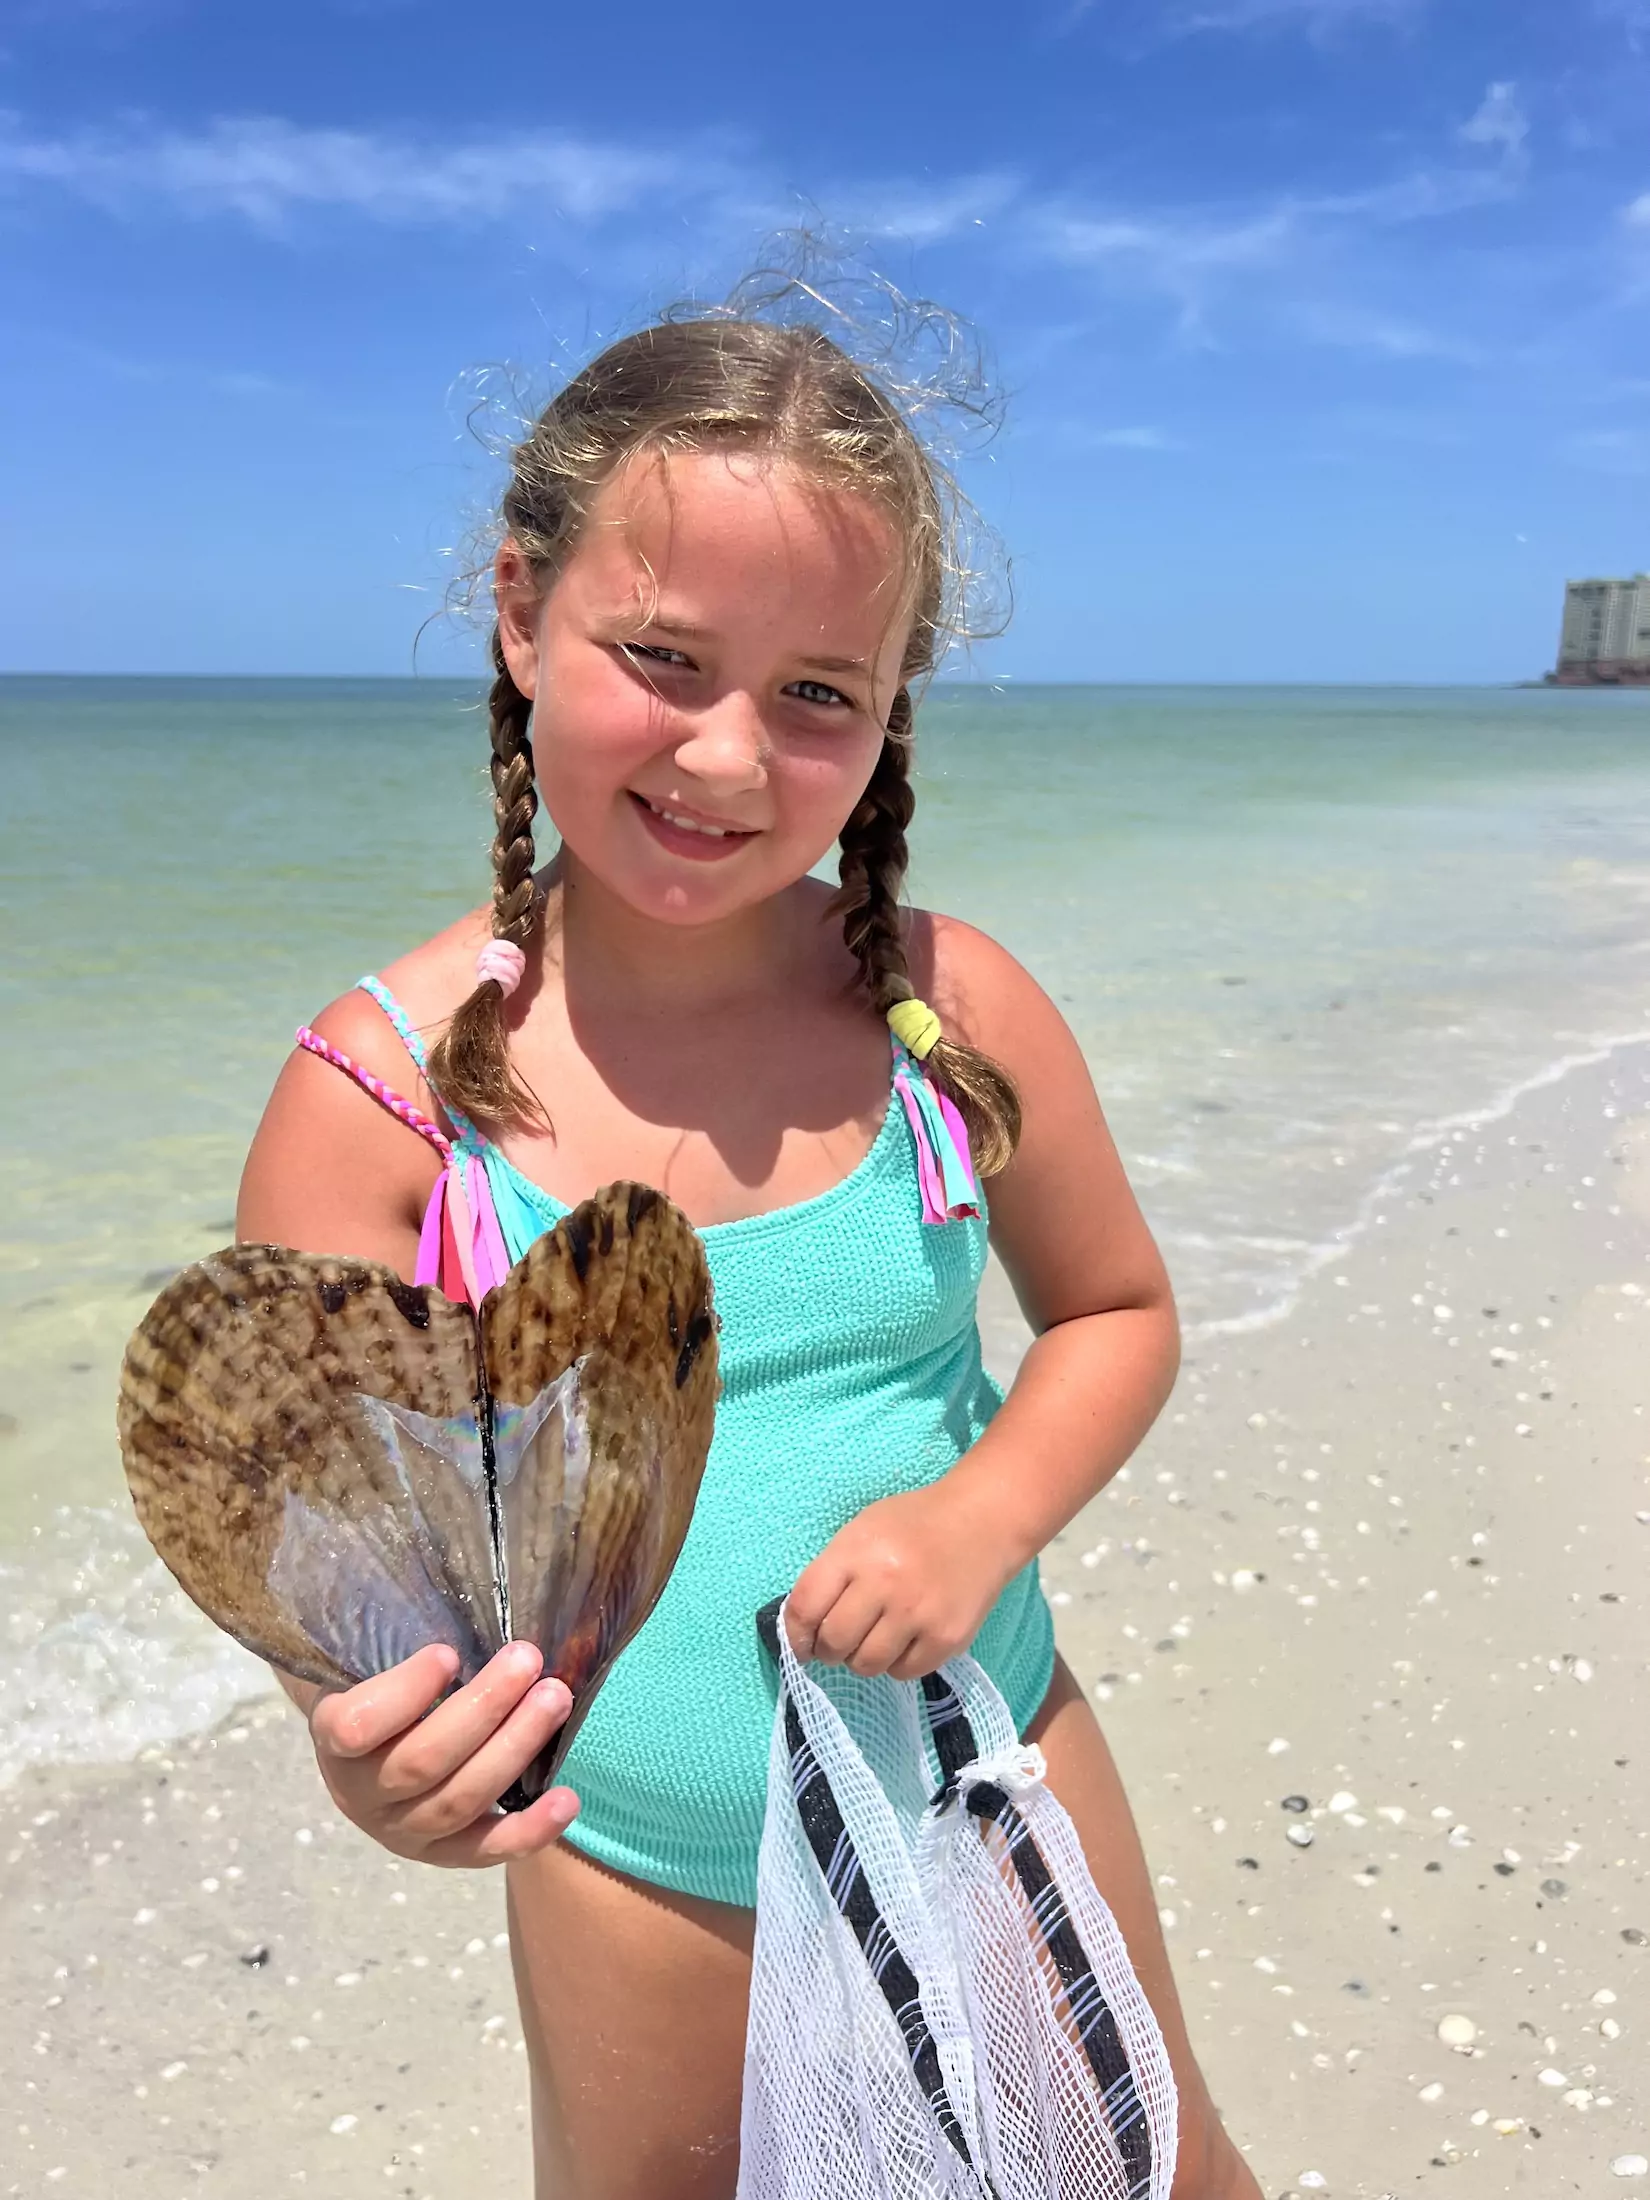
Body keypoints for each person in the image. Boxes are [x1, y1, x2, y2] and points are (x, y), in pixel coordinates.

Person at [237, 289, 1263, 2200]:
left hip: (984, 1773)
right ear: (517, 605)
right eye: (660, 655)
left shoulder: (954, 1016)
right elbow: (340, 1589)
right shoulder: (378, 1107)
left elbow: (1114, 1312)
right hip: (640, 1864)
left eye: (816, 693)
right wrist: (370, 1758)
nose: (725, 757)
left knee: (1148, 2172)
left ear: (891, 714)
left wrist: (977, 1523)